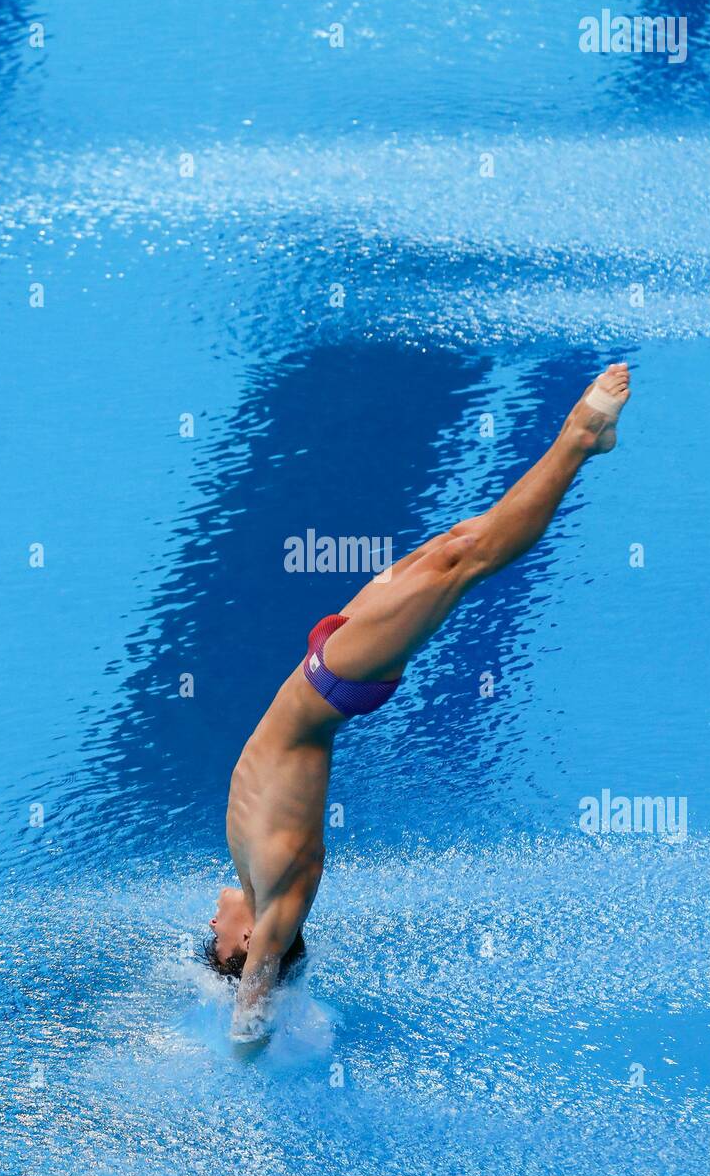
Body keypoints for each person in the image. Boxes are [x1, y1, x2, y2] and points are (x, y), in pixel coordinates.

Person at [204, 364, 632, 1040]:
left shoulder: (256, 876)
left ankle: (586, 446)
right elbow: (251, 1012)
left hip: (325, 664)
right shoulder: (281, 897)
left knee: (452, 546)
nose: (211, 925)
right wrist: (246, 1041)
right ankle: (579, 437)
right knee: (469, 560)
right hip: (331, 684)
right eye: (220, 945)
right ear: (252, 942)